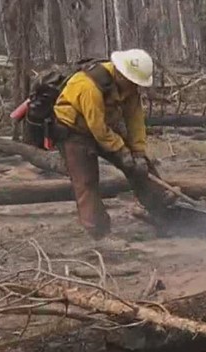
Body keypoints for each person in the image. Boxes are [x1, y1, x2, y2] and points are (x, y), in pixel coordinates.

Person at [52, 49, 170, 239]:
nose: (134, 87)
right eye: (133, 83)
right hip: (75, 132)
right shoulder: (88, 85)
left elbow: (135, 120)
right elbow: (97, 127)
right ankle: (99, 234)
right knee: (86, 182)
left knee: (141, 168)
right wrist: (121, 151)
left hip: (105, 127)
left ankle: (164, 213)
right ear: (121, 74)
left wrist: (138, 152)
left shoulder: (130, 88)